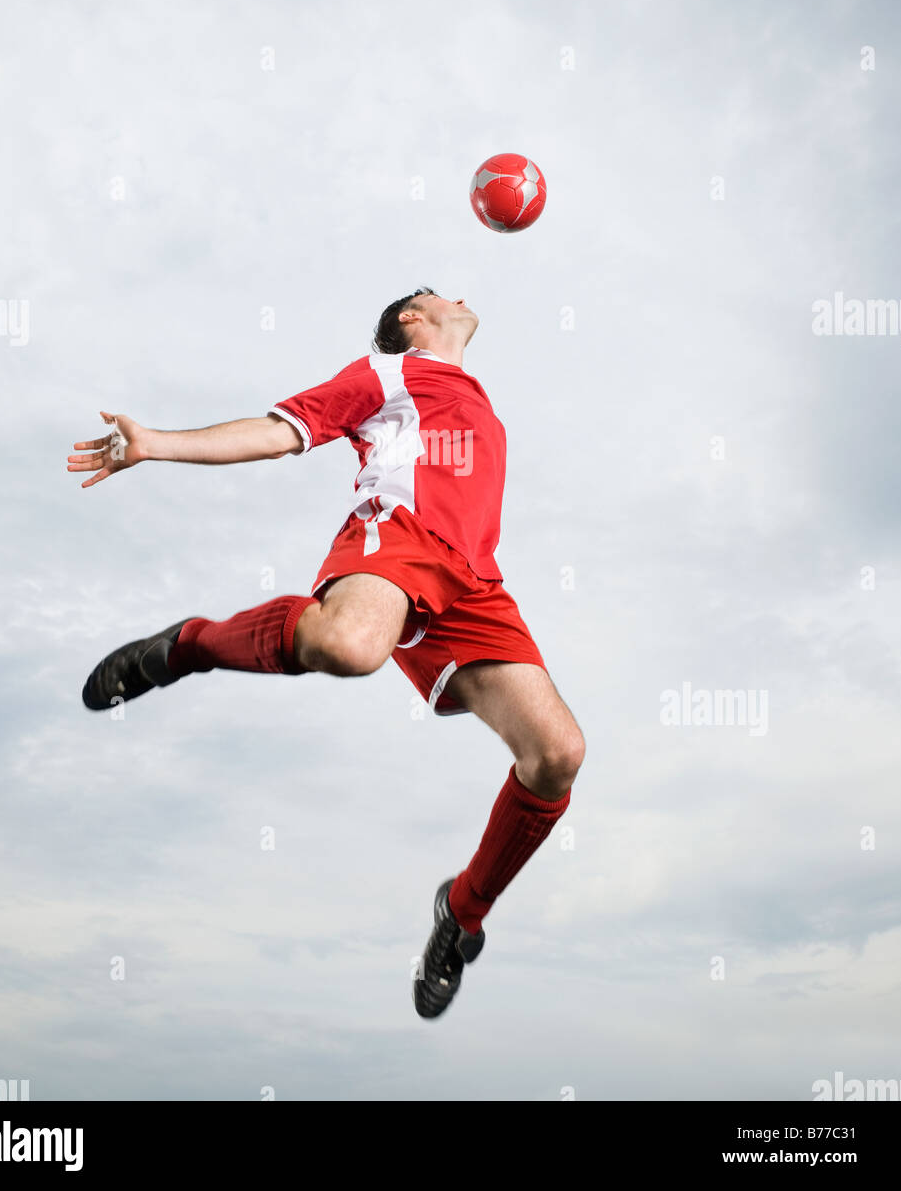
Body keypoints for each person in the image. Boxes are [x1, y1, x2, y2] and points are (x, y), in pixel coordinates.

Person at [68, 288, 585, 1017]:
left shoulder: (475, 397)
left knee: (557, 754)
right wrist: (157, 443)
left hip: (472, 585)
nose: (459, 295)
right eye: (439, 291)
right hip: (396, 541)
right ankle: (187, 646)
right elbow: (281, 431)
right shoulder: (386, 372)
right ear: (412, 318)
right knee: (347, 644)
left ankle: (461, 915)